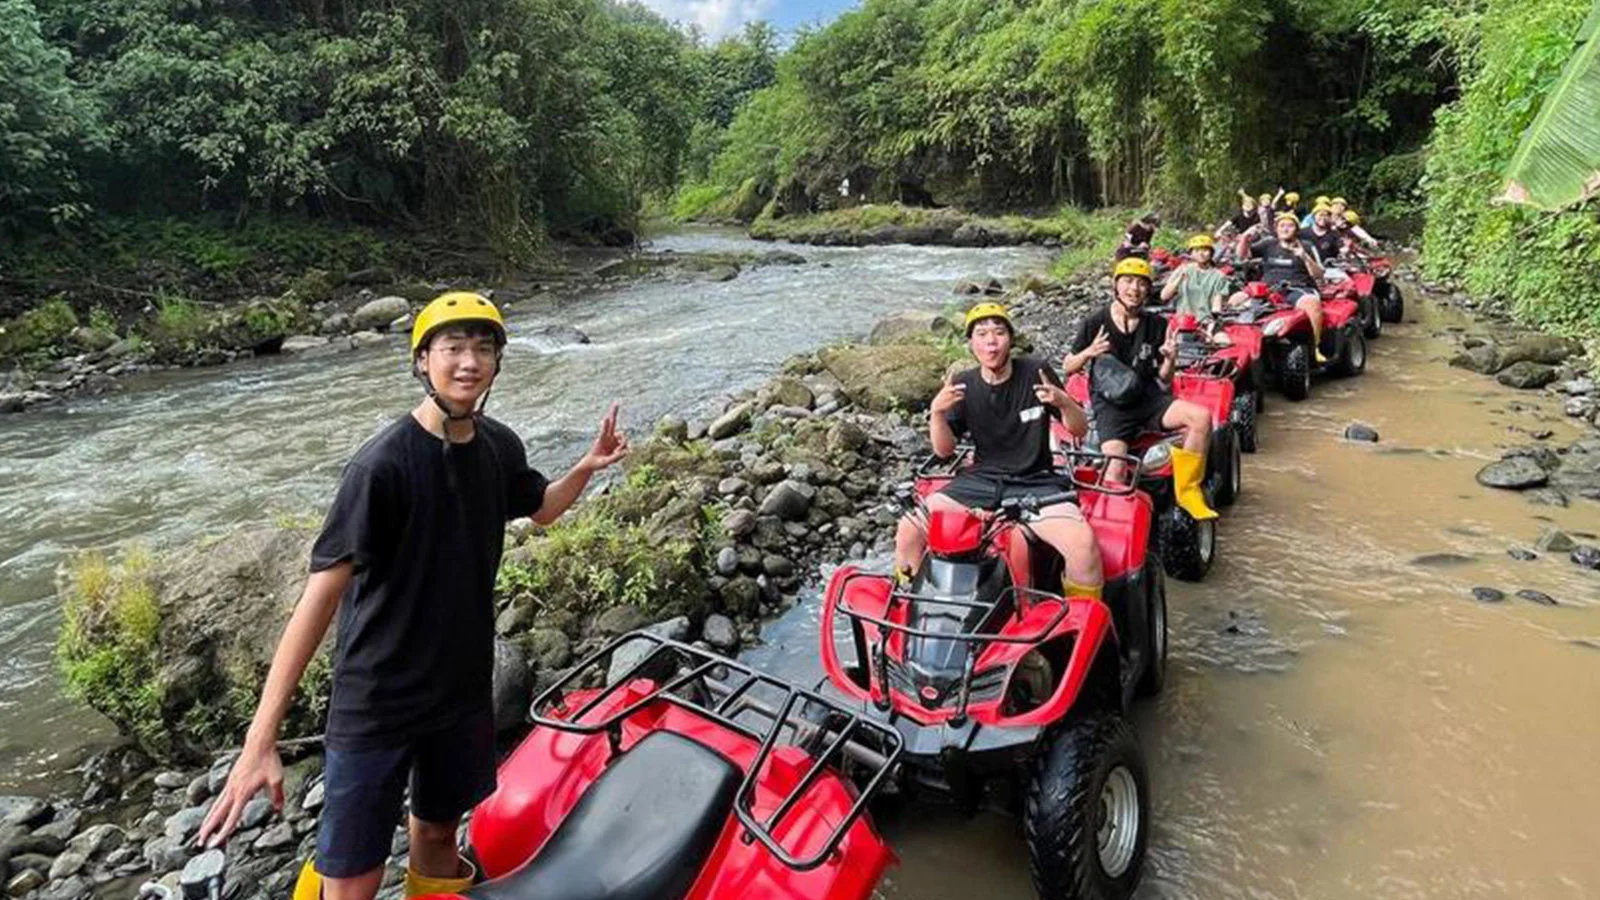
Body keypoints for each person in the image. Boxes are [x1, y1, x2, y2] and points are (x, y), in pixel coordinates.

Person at [196, 293, 632, 900]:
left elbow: (542, 511)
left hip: (458, 690)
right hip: (377, 699)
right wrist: (259, 739)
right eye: (452, 348)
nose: (469, 363)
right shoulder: (382, 466)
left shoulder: (499, 446)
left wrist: (587, 466)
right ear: (423, 360)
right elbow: (318, 599)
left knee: (436, 834)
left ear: (498, 365)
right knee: (353, 875)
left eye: (483, 349)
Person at [892, 302, 1104, 599]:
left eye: (998, 332)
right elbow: (944, 451)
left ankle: (1082, 629)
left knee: (1083, 545)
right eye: (981, 334)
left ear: (1010, 339)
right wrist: (937, 414)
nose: (991, 341)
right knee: (909, 528)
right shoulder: (963, 383)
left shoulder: (1035, 371)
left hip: (1035, 480)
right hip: (981, 480)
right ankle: (908, 609)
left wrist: (1064, 402)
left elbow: (1079, 429)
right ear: (971, 343)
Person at [1062, 258, 1218, 520]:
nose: (1134, 289)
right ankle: (1116, 525)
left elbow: (1165, 380)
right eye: (1128, 282)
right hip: (1112, 405)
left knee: (1201, 418)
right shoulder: (1095, 322)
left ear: (1148, 289)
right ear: (1116, 285)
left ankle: (1189, 489)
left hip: (1149, 398)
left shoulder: (1156, 324)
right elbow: (1068, 366)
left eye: (1141, 283)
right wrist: (1089, 352)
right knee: (1115, 470)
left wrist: (1169, 359)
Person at [1237, 212, 1328, 362]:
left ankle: (1316, 346)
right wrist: (1245, 239)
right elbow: (1242, 256)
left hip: (1298, 288)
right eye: (1282, 226)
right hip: (1268, 288)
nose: (1285, 229)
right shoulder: (1268, 244)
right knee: (1235, 299)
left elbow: (1319, 274)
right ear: (1276, 229)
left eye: (1290, 226)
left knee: (1312, 304)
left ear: (1297, 229)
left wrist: (1304, 256)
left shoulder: (1306, 246)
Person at [1160, 234, 1232, 326]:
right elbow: (1164, 296)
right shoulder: (1183, 269)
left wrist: (1214, 321)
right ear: (1191, 253)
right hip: (1182, 320)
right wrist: (1179, 279)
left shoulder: (1219, 276)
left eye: (1205, 250)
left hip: (1205, 321)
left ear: (1211, 253)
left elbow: (1217, 302)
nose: (1201, 253)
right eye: (1197, 250)